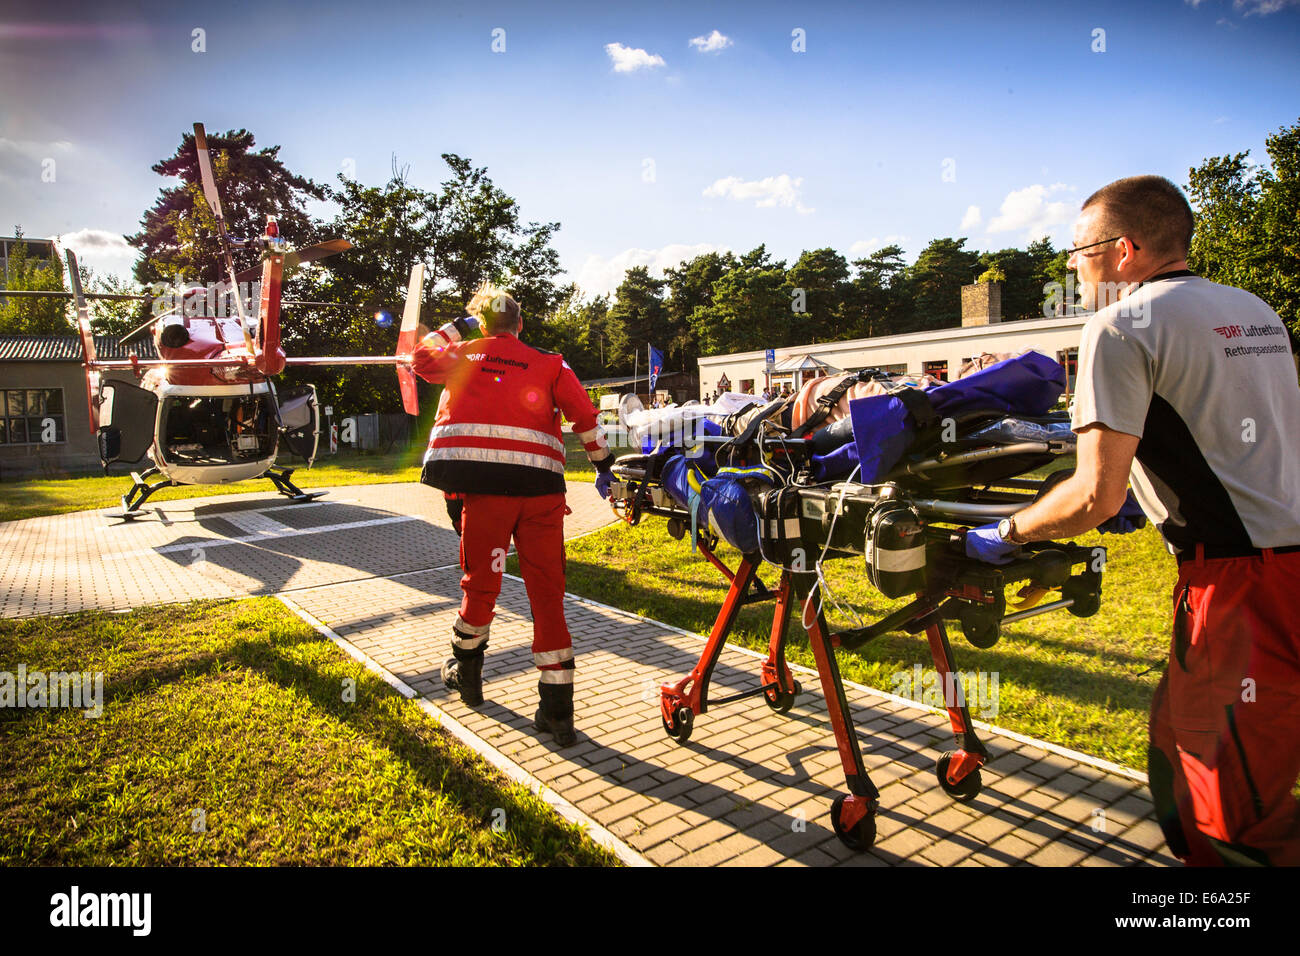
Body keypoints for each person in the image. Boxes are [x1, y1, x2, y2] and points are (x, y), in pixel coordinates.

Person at [965, 175, 1300, 865]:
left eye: (1078, 251)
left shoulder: (1120, 326)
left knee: (1230, 813)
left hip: (1238, 587)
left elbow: (1093, 495)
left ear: (1124, 249)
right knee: (1177, 747)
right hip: (1276, 567)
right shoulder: (1255, 309)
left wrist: (1006, 532)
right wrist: (1152, 499)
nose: (1072, 268)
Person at [411, 283, 615, 746]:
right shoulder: (551, 363)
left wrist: (462, 325)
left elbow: (419, 358)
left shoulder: (462, 354)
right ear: (521, 324)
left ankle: (467, 674)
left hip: (485, 496)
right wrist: (603, 466)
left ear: (482, 324)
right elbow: (584, 418)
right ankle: (558, 712)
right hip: (542, 494)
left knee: (482, 583)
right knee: (548, 592)